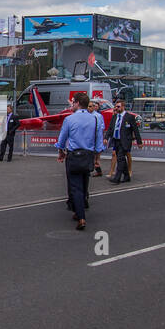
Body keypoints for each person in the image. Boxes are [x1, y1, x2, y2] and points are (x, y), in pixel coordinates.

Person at [56, 92, 104, 231]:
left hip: (74, 156)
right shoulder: (95, 119)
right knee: (84, 184)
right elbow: (98, 141)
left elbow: (62, 139)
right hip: (88, 155)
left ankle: (81, 216)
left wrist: (61, 153)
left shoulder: (69, 119)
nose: (71, 104)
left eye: (72, 102)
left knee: (75, 186)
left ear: (77, 103)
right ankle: (79, 210)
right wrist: (97, 158)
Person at [105, 98, 142, 183]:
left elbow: (135, 130)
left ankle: (117, 178)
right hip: (116, 140)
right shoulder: (115, 117)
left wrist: (139, 142)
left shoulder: (130, 117)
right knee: (120, 158)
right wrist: (106, 138)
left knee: (121, 158)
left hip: (125, 141)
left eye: (118, 107)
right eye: (115, 107)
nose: (116, 108)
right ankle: (126, 176)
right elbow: (110, 129)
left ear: (123, 107)